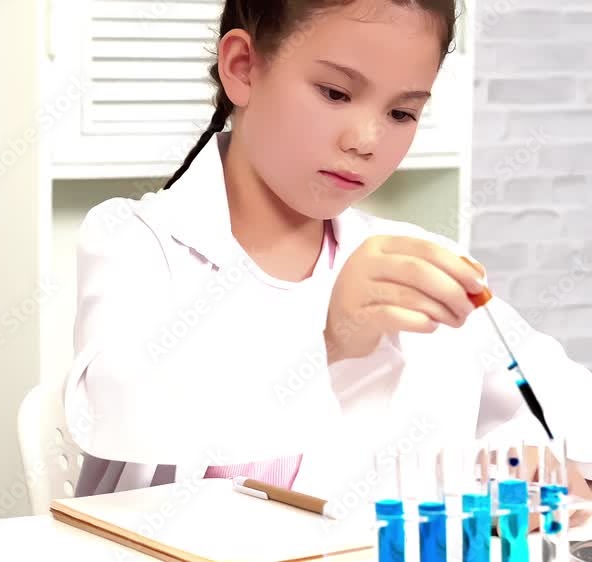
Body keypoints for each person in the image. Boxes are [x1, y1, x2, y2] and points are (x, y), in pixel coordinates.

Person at [63, 0, 592, 515]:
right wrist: (331, 345)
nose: (366, 140)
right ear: (243, 67)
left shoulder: (417, 266)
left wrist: (536, 464)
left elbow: (558, 403)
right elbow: (119, 410)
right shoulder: (135, 241)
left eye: (401, 112)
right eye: (336, 92)